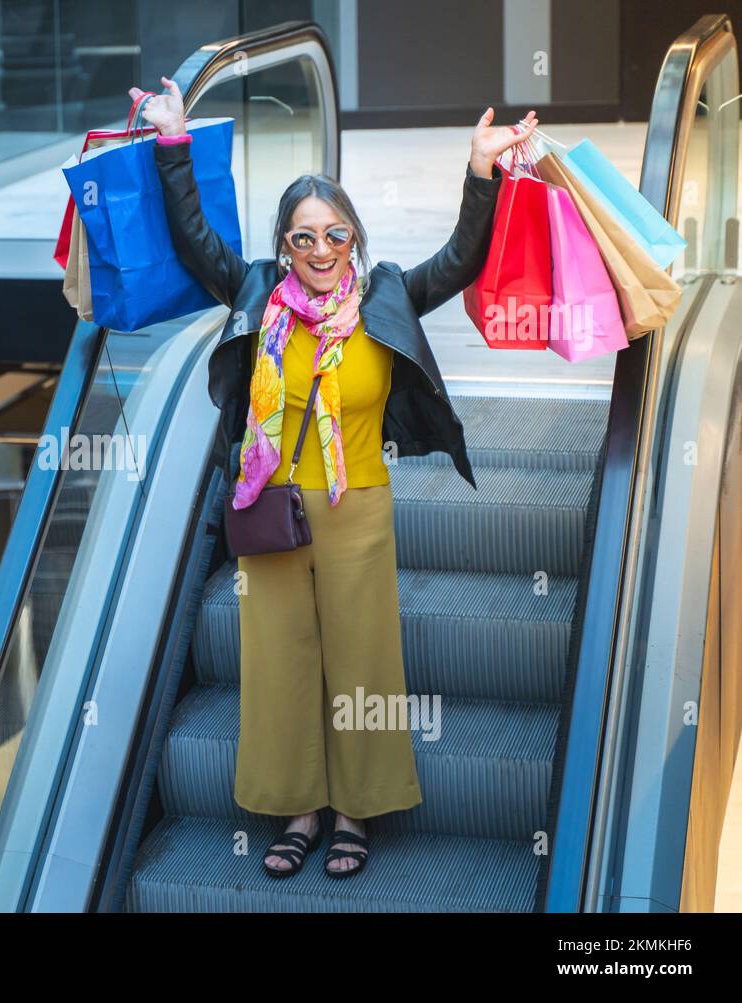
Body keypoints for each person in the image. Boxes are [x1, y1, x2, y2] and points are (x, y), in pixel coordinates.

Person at [129, 76, 538, 878]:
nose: (321, 253)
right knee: (279, 662)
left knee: (362, 662)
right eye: (304, 238)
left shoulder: (385, 296)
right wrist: (173, 142)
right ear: (285, 246)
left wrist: (480, 173)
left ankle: (355, 809)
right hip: (270, 508)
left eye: (336, 235)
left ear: (356, 238)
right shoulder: (257, 294)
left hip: (357, 511)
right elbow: (195, 243)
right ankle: (298, 809)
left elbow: (461, 260)